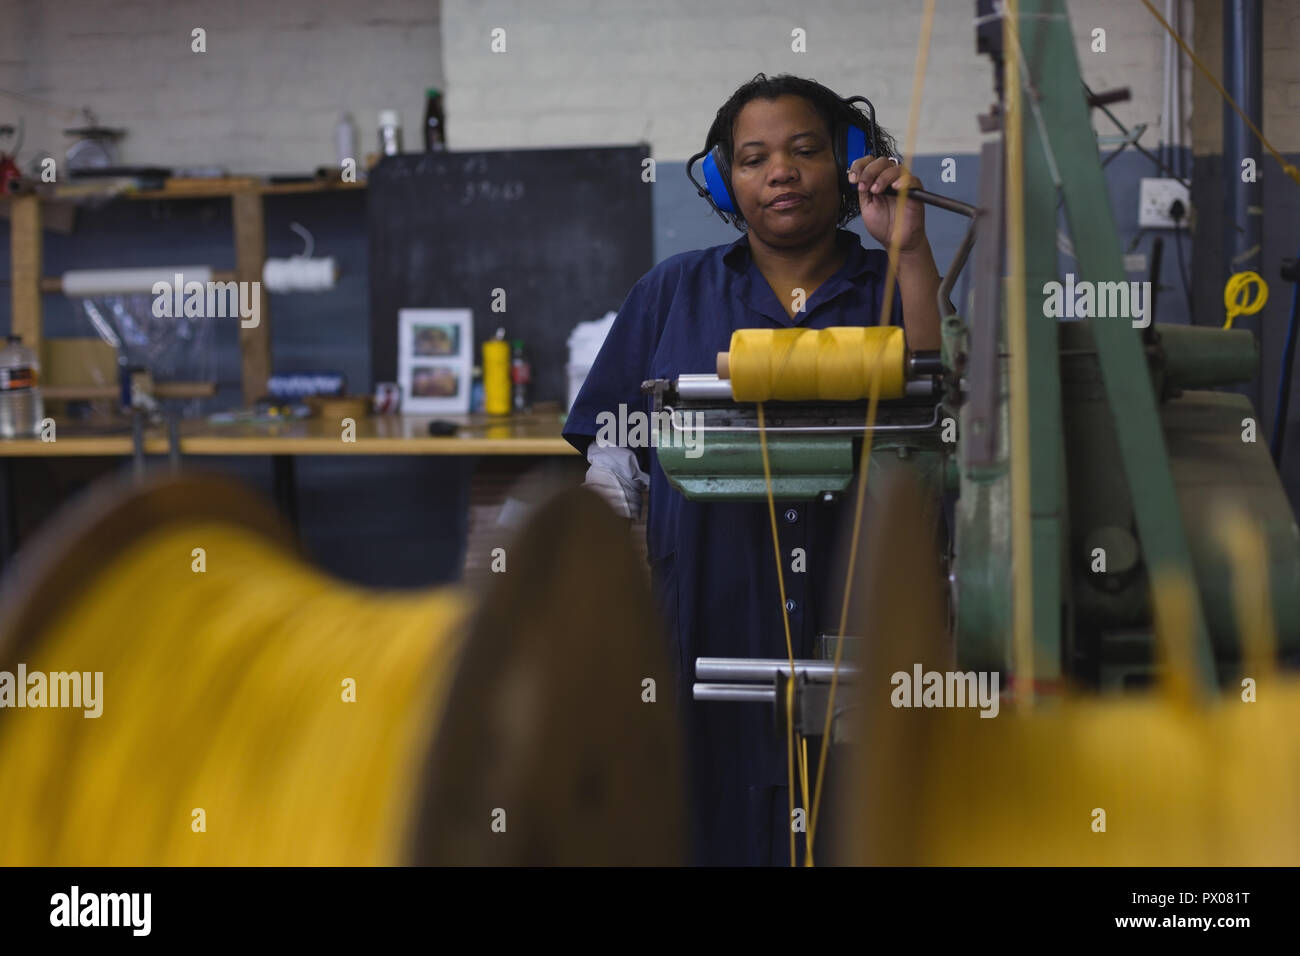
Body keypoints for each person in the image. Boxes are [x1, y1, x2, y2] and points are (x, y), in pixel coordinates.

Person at [562, 73, 942, 865]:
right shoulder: (674, 291)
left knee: (859, 818)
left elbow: (940, 401)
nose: (781, 171)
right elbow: (612, 446)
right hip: (708, 610)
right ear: (720, 179)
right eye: (754, 157)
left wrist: (908, 250)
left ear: (847, 164)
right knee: (709, 817)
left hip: (857, 606)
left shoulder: (886, 286)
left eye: (806, 150)